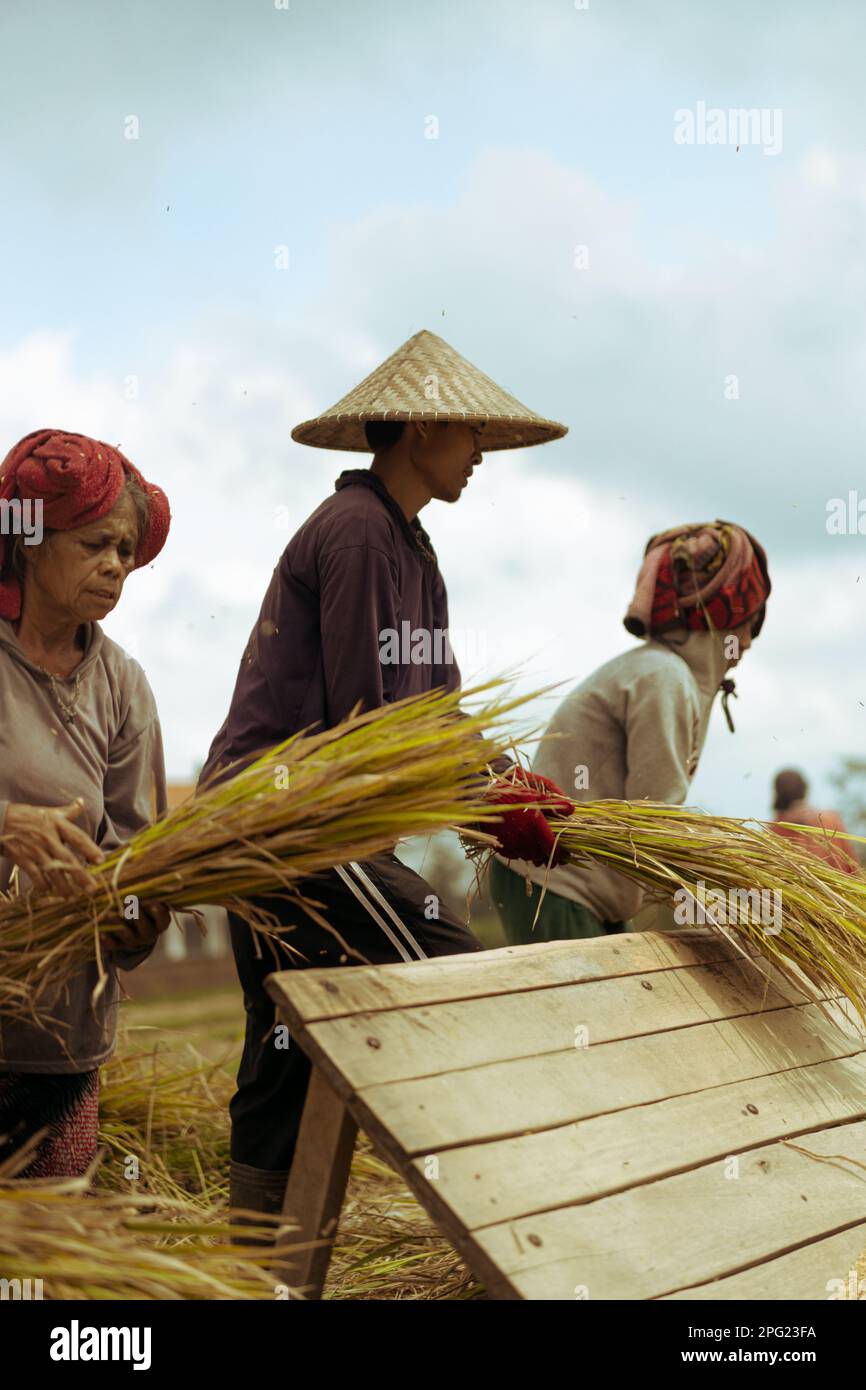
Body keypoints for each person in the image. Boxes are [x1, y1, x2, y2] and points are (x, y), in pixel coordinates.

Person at [197, 329, 570, 1227]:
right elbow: (373, 728)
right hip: (293, 833)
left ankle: (260, 1276)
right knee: (461, 988)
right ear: (416, 432)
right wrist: (475, 800)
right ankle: (519, 1224)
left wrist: (507, 786)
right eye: (469, 431)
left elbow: (434, 710)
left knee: (286, 1061)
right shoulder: (359, 532)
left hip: (323, 827)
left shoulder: (414, 550)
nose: (480, 450)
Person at [0, 429, 172, 1177]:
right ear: (32, 542)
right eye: (95, 543)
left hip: (60, 1037)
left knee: (47, 1267)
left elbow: (135, 847)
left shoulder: (122, 686)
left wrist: (138, 910)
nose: (114, 566)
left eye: (125, 552)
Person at [491, 520, 772, 943]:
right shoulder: (663, 679)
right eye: (751, 624)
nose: (748, 644)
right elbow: (657, 817)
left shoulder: (666, 673)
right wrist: (740, 881)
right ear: (723, 620)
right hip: (553, 884)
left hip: (587, 890)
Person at [770, 768, 859, 873]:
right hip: (842, 888)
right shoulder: (832, 820)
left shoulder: (773, 831)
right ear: (805, 789)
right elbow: (853, 867)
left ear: (777, 793)